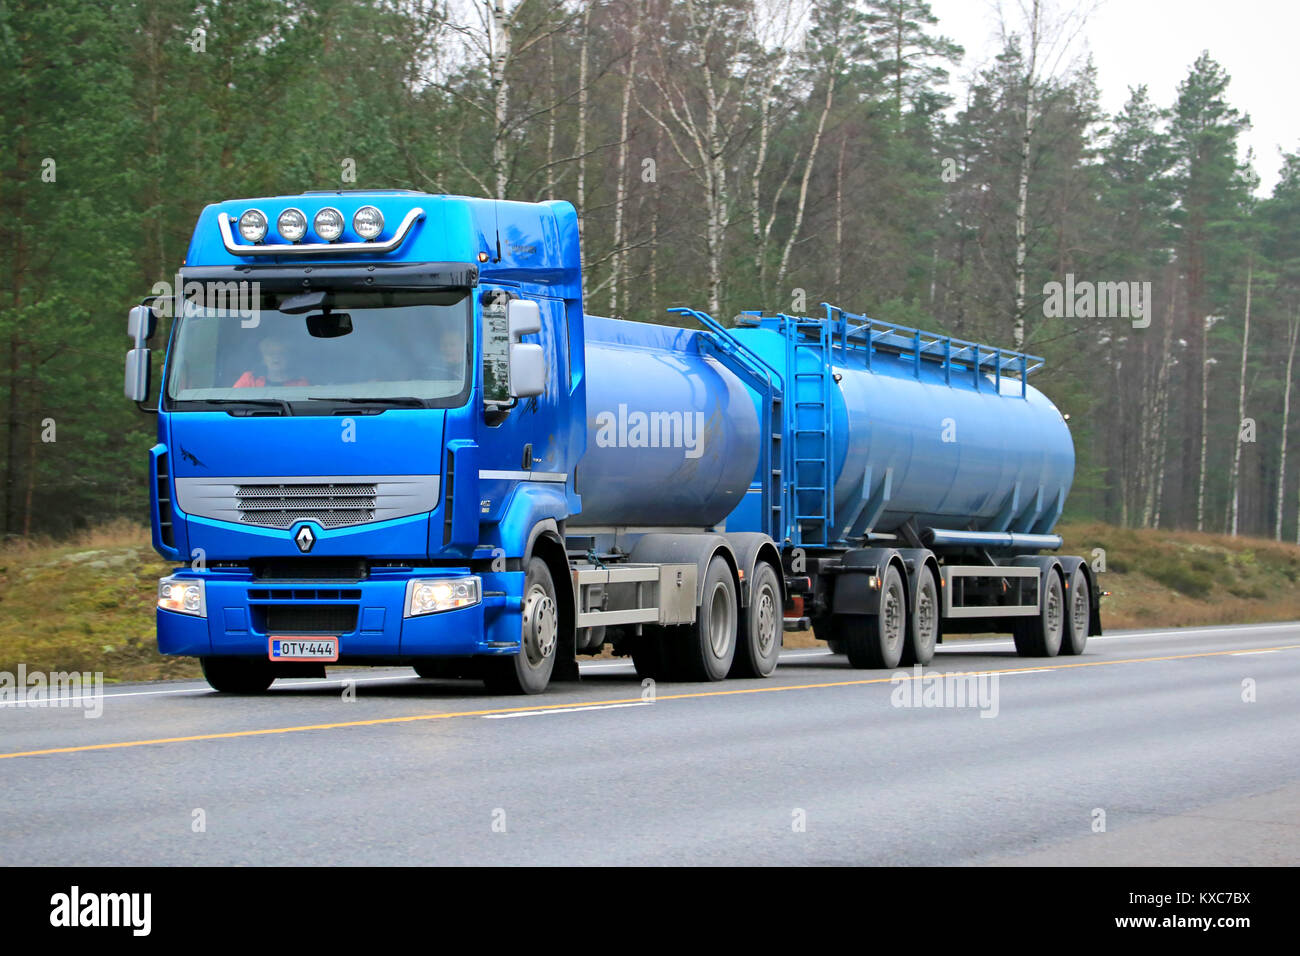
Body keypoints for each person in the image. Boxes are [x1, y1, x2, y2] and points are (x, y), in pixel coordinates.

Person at [234, 334, 309, 388]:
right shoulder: (250, 379)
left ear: (289, 358)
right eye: (270, 353)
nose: (276, 357)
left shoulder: (300, 383)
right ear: (263, 358)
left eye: (281, 353)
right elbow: (234, 400)